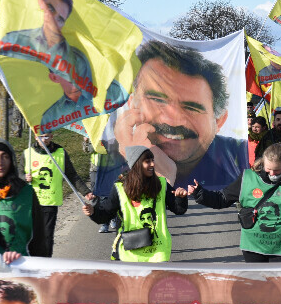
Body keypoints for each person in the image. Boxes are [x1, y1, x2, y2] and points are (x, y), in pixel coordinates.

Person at [97, 39, 247, 193]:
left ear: (219, 121)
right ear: (132, 105)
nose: (172, 120)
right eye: (157, 100)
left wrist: (163, 176)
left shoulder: (241, 158)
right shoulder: (107, 154)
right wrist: (133, 160)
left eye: (191, 108)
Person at [190, 144, 281, 262]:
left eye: (277, 170)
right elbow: (222, 199)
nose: (272, 174)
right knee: (257, 282)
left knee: (280, 282)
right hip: (253, 245)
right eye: (268, 169)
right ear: (263, 163)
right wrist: (199, 193)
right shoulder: (247, 178)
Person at [82, 146, 188, 262]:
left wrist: (180, 198)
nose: (152, 164)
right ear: (136, 164)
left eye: (153, 160)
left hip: (158, 252)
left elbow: (179, 209)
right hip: (130, 253)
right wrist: (93, 212)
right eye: (147, 161)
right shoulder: (120, 188)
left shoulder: (161, 184)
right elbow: (105, 214)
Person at [0, 138, 48, 256]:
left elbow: (38, 236)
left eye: (5, 157)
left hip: (20, 262)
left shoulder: (26, 192)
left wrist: (42, 262)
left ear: (11, 160)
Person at [23, 131, 91, 256]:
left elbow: (72, 175)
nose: (44, 139)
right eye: (41, 136)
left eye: (47, 136)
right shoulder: (27, 153)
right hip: (30, 203)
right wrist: (24, 177)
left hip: (49, 202)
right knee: (30, 236)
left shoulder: (60, 153)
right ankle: (32, 261)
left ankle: (46, 262)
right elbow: (16, 175)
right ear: (35, 137)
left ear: (52, 136)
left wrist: (85, 192)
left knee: (47, 236)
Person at [84, 138, 119, 233]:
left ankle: (108, 221)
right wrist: (86, 141)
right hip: (94, 170)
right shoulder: (91, 134)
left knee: (106, 195)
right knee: (96, 195)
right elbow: (87, 150)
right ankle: (103, 218)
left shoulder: (109, 135)